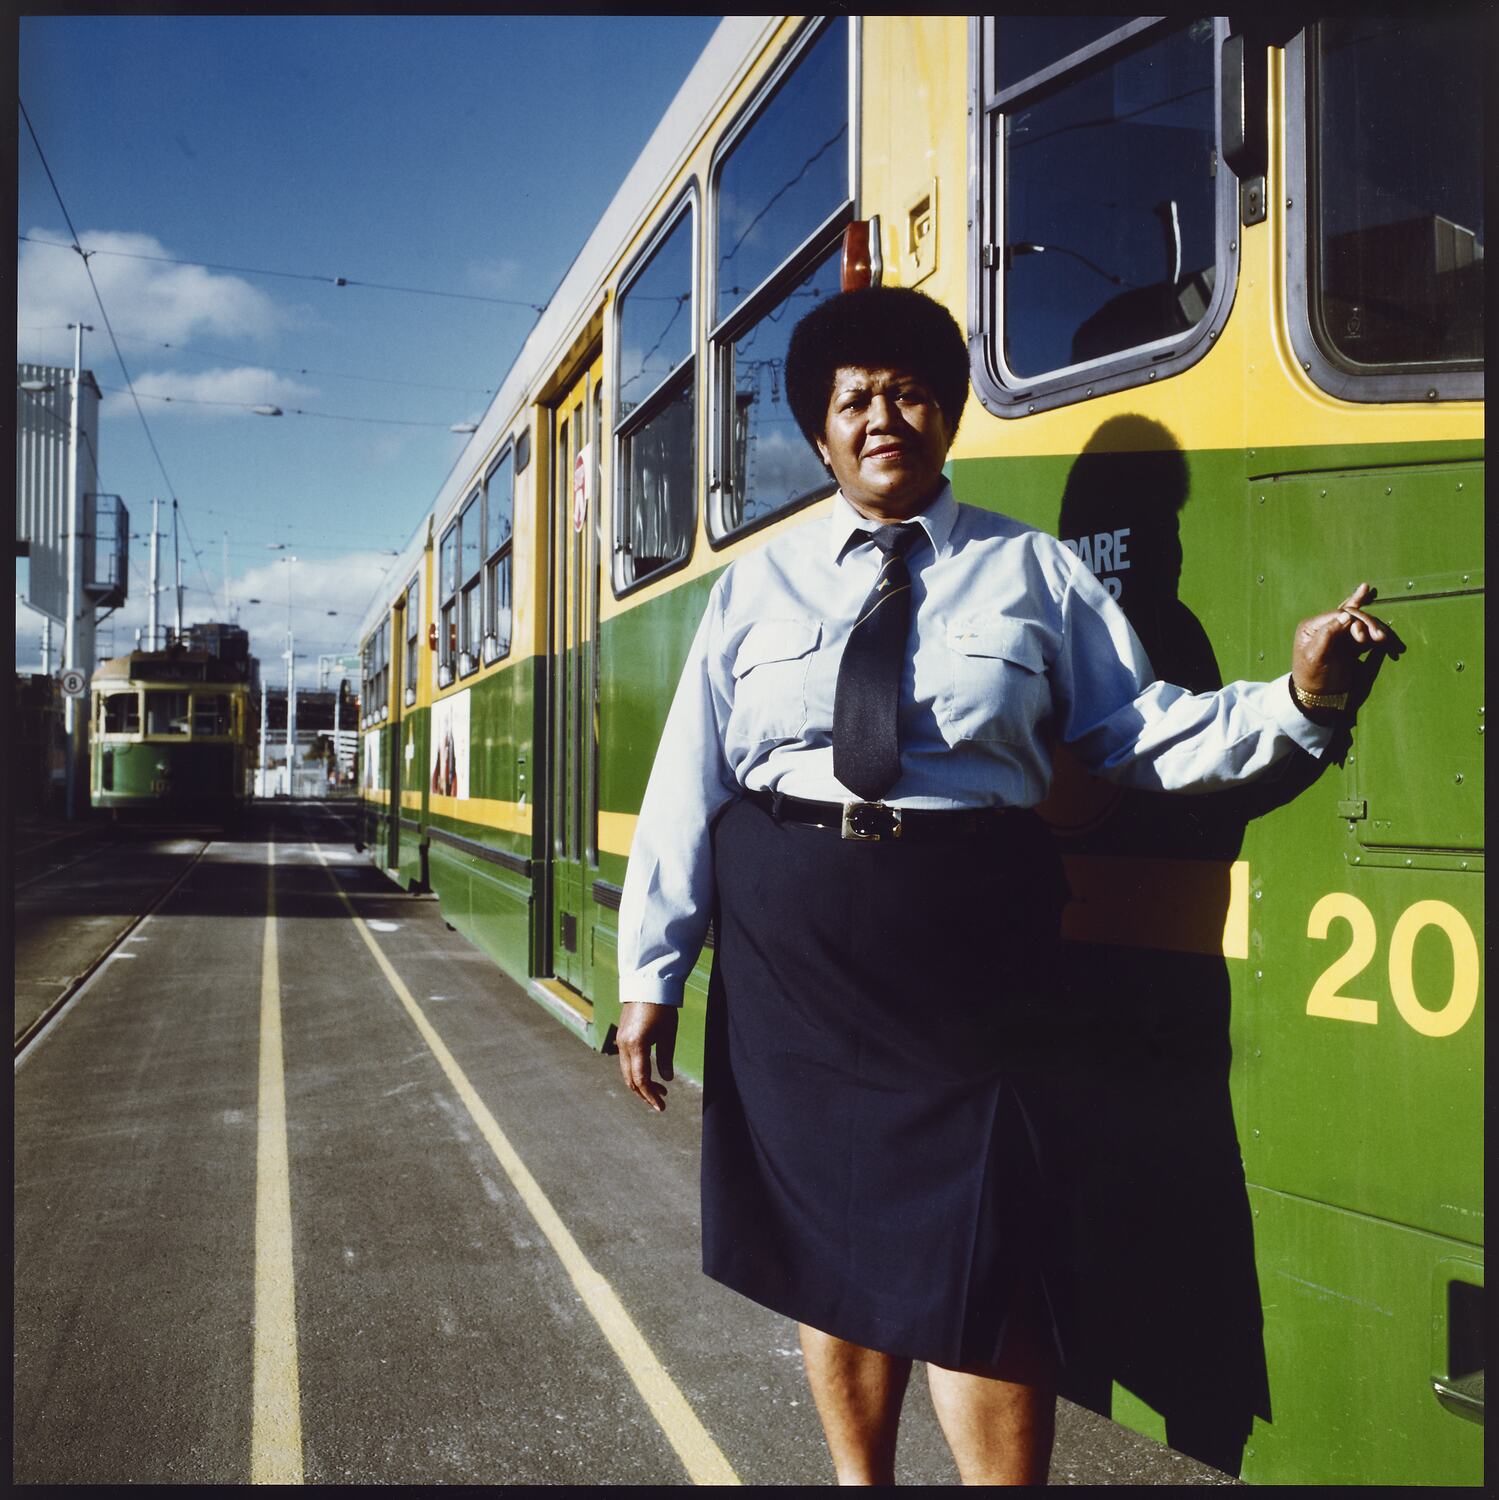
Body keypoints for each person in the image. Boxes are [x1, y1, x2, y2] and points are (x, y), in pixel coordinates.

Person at [613, 286, 1389, 1486]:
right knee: (836, 1252)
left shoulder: (1028, 573)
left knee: (988, 1262)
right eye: (854, 399)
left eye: (909, 394)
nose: (883, 419)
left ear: (950, 418)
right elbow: (686, 790)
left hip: (971, 957)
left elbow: (1141, 732)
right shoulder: (754, 590)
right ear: (818, 435)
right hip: (792, 962)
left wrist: (1299, 702)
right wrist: (649, 976)